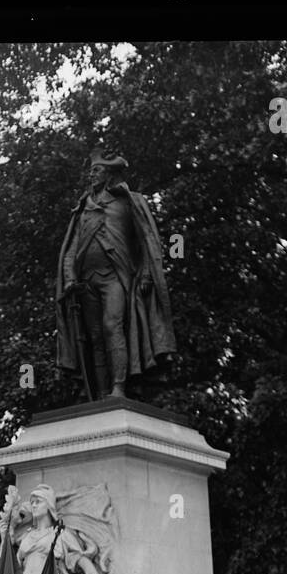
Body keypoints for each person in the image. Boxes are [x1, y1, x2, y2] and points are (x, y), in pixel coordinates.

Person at [56, 146, 176, 399]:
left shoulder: (128, 201)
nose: (91, 175)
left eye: (96, 170)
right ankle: (101, 393)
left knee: (113, 326)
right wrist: (69, 279)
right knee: (96, 337)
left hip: (115, 278)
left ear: (109, 174)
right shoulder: (83, 208)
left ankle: (119, 388)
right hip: (86, 282)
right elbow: (71, 249)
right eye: (90, 171)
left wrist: (145, 273)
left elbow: (146, 242)